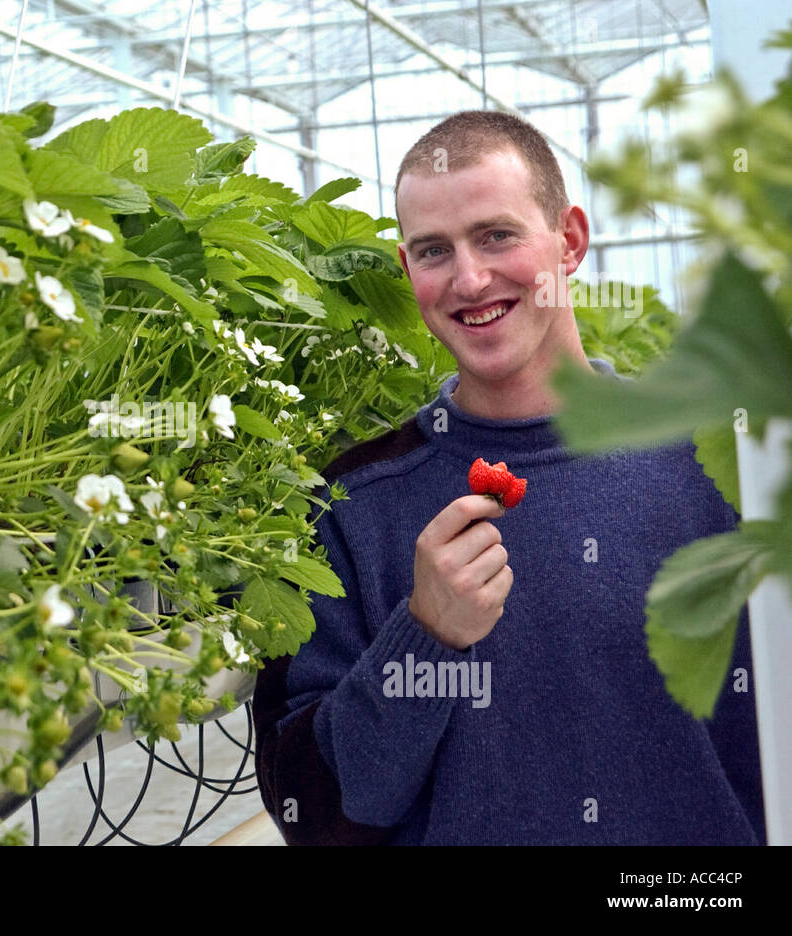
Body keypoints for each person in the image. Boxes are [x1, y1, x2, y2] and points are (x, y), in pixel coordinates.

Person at [251, 110, 766, 845]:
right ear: (408, 272)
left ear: (571, 241)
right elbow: (317, 812)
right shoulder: (349, 503)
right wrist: (424, 637)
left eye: (497, 235)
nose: (469, 278)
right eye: (434, 251)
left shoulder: (721, 466)